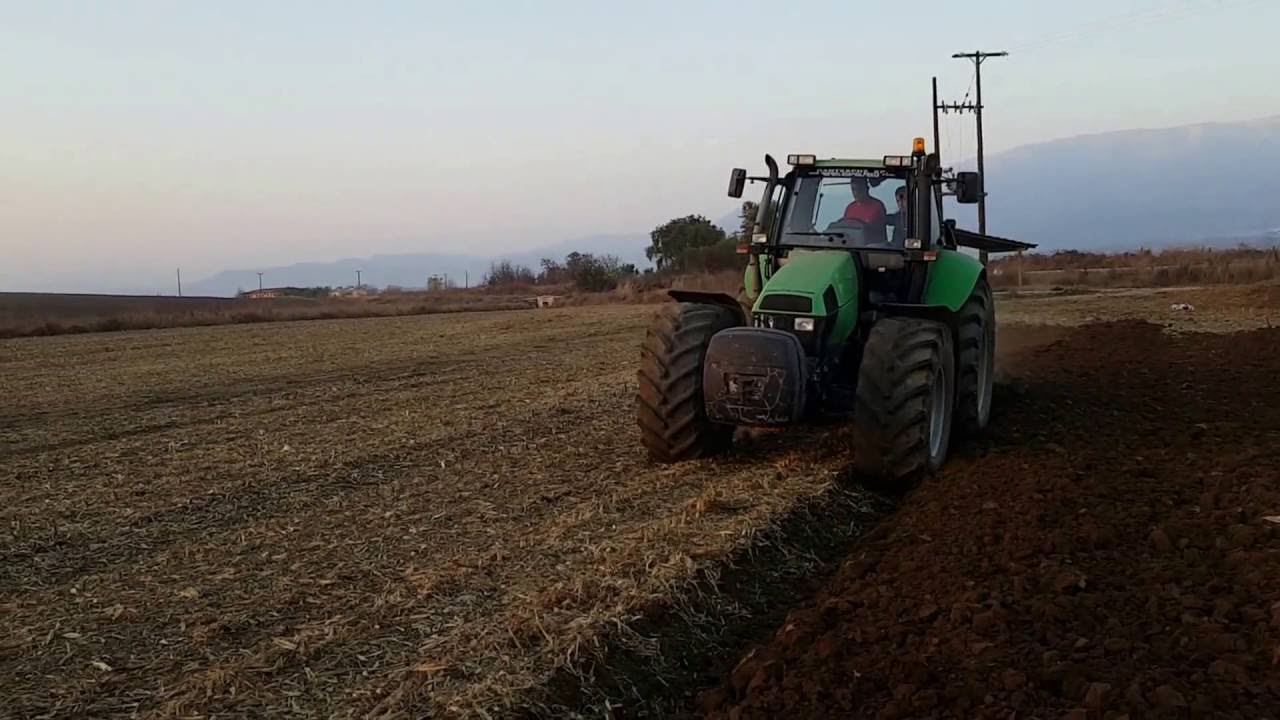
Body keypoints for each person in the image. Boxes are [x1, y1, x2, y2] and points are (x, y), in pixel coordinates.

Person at [841, 178, 887, 244]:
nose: (856, 192)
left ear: (867, 188)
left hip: (871, 249)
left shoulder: (877, 206)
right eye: (853, 189)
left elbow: (880, 233)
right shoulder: (849, 208)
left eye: (859, 189)